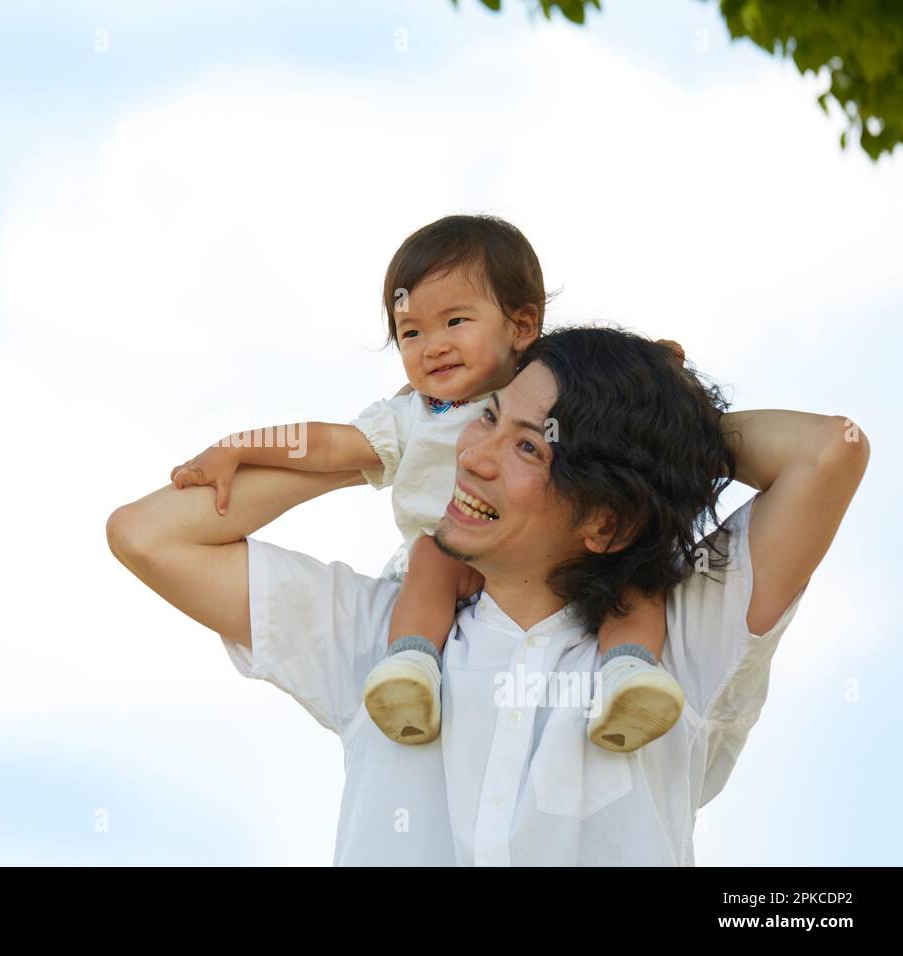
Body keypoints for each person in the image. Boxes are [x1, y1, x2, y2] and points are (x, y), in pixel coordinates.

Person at [107, 325, 868, 865]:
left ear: (604, 521)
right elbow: (148, 534)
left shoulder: (679, 641)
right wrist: (390, 451)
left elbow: (831, 451)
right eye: (488, 421)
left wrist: (658, 438)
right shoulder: (383, 636)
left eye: (529, 447)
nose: (473, 457)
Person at [168, 215, 682, 753]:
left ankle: (629, 675)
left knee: (637, 576)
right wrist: (240, 447)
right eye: (411, 332)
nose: (432, 346)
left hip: (553, 566)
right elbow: (324, 444)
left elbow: (623, 408)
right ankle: (412, 664)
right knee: (432, 558)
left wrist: (656, 373)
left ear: (522, 325)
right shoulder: (415, 415)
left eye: (456, 320)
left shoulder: (552, 389)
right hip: (451, 563)